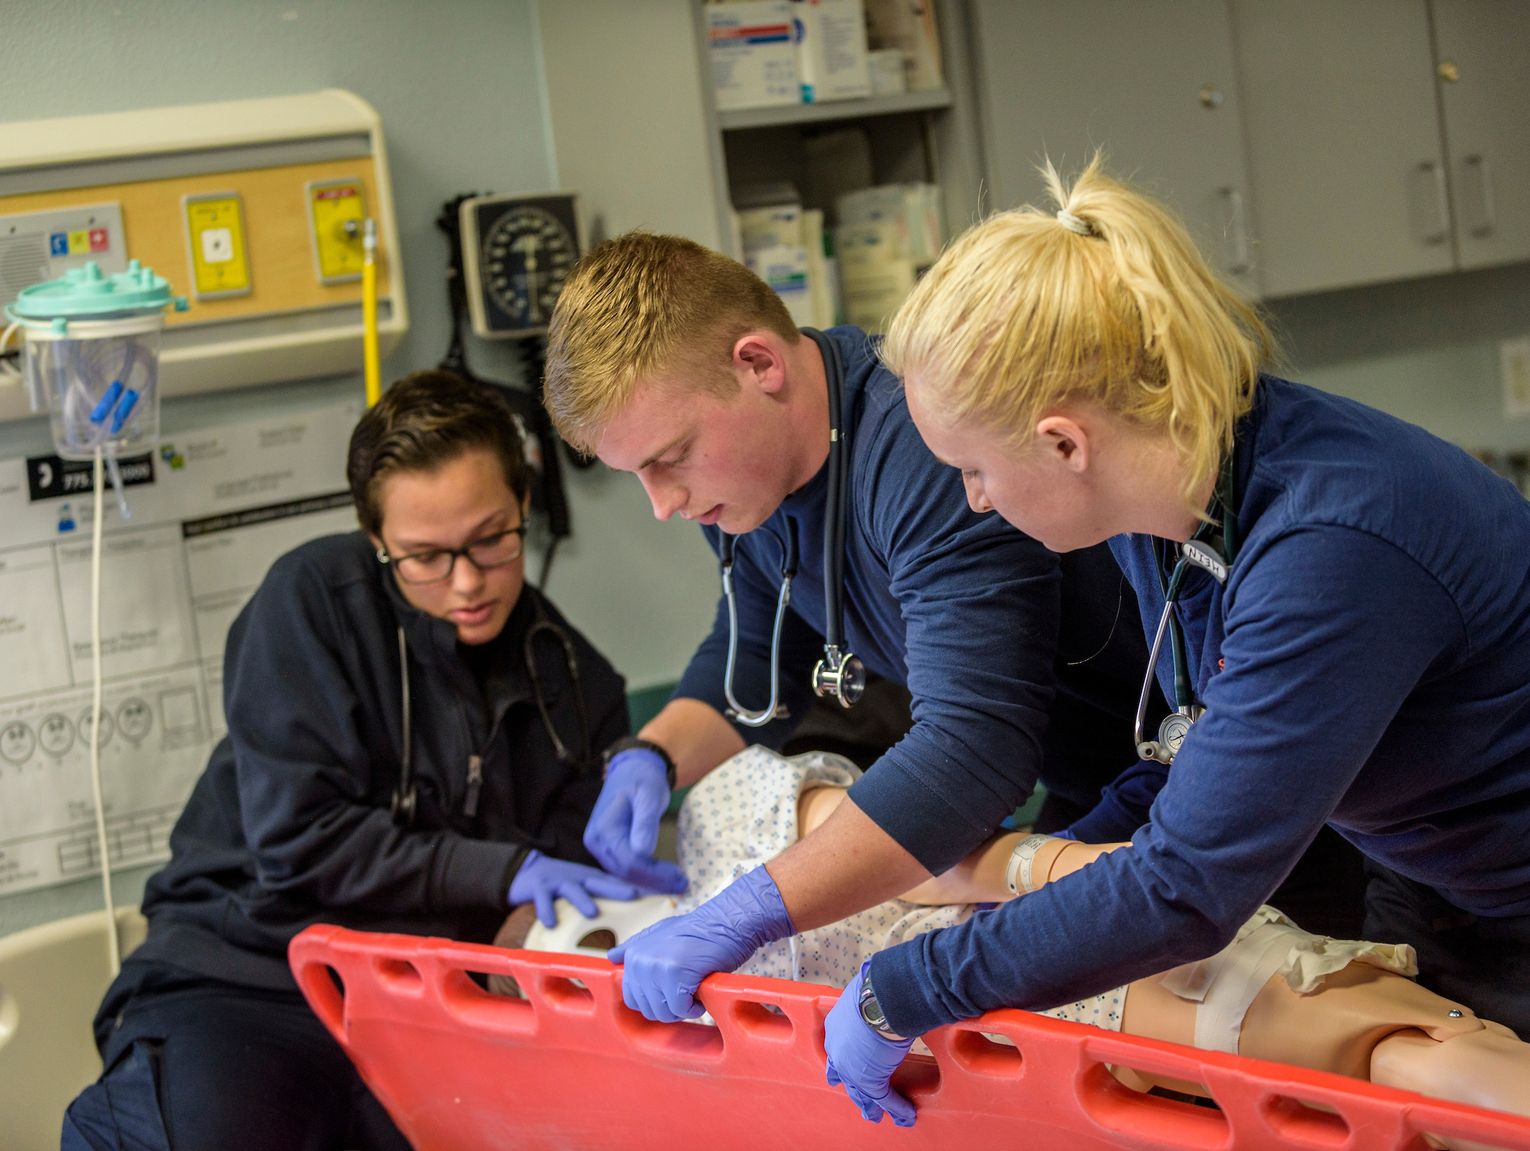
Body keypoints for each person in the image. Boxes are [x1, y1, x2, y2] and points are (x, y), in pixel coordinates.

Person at [818, 156, 1530, 1124]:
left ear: (1065, 442)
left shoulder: (1332, 543)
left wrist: (904, 985)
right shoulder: (1178, 513)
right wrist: (1039, 880)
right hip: (1434, 877)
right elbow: (1194, 750)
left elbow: (1188, 886)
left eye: (975, 469)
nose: (973, 500)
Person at [541, 230, 1187, 1026]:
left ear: (759, 365)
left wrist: (745, 913)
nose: (662, 503)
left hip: (1209, 761)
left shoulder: (921, 445)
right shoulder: (749, 488)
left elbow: (973, 749)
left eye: (671, 456)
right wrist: (651, 754)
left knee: (1255, 1000)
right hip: (1095, 788)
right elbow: (756, 652)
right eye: (636, 473)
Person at [62, 371, 657, 1151]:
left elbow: (565, 884)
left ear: (524, 505)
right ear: (377, 542)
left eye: (492, 538)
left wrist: (595, 894)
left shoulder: (573, 680)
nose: (469, 582)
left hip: (430, 1011)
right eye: (425, 557)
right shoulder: (312, 605)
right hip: (247, 980)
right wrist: (502, 869)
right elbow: (298, 842)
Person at [500, 745, 1530, 1142]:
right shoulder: (685, 1040)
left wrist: (1097, 881)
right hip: (1046, 1041)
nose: (604, 945)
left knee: (1370, 1047)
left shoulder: (732, 812)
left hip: (1085, 949)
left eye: (583, 920)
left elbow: (950, 854)